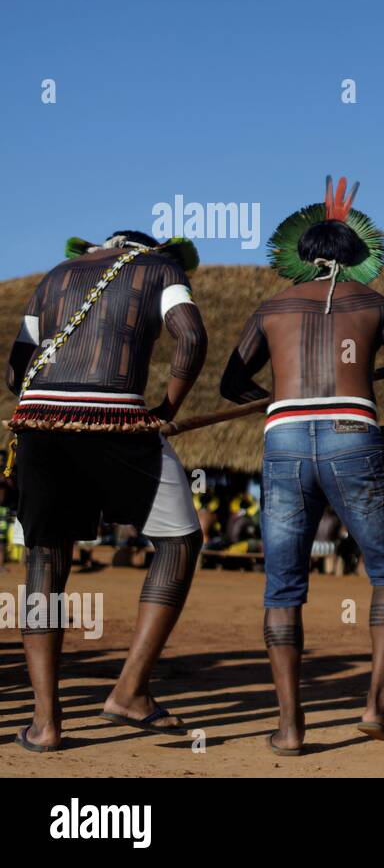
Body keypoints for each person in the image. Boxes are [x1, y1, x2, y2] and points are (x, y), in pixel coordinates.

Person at [220, 176, 384, 754]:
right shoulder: (374, 304)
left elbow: (231, 380)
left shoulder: (273, 307)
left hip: (284, 439)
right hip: (354, 435)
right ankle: (376, 706)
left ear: (302, 260)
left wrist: (279, 394)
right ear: (355, 260)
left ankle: (289, 728)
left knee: (282, 585)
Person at [5, 231, 207, 751]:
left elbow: (15, 369)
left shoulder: (52, 279)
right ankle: (129, 692)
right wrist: (167, 411)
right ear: (149, 247)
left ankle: (45, 725)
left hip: (38, 421)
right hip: (115, 418)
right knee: (181, 540)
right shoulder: (159, 268)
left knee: (44, 563)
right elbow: (192, 337)